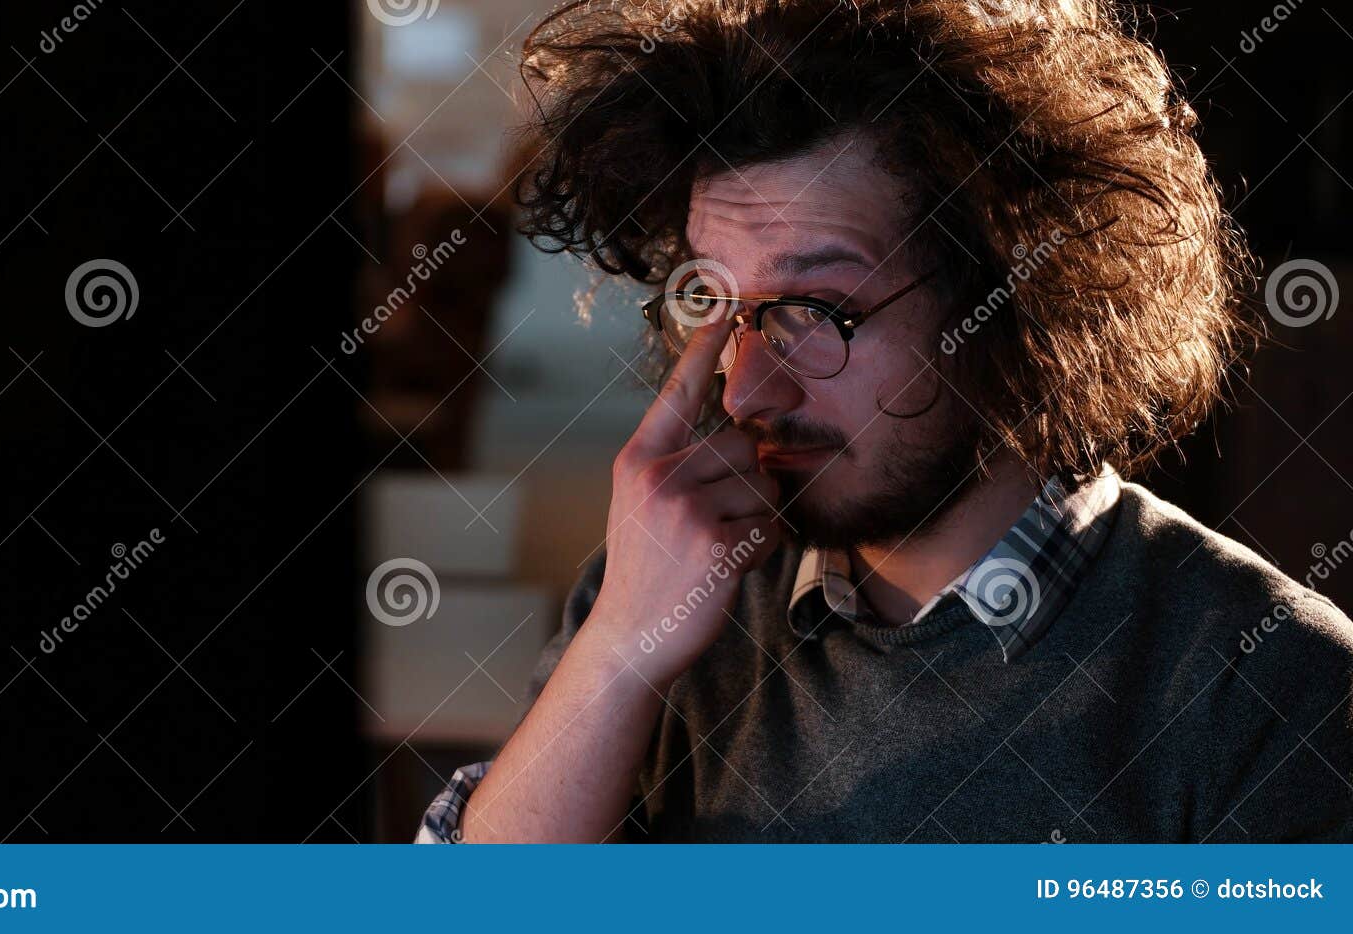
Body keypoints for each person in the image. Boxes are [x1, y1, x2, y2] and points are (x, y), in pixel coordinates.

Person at [416, 0, 1353, 842]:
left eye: (817, 311)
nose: (746, 392)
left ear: (1016, 301)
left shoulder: (1271, 685)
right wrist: (619, 654)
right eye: (720, 309)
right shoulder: (663, 586)